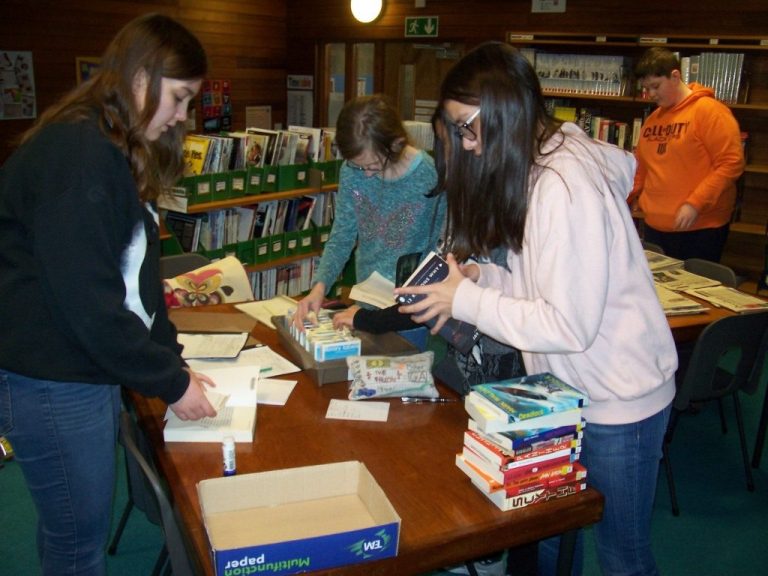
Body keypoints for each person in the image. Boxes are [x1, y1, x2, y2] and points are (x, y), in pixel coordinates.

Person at [395, 41, 678, 576]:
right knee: (548, 538)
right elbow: (540, 286)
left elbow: (568, 324)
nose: (467, 145)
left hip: (619, 399)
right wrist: (482, 278)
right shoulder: (536, 165)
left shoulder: (563, 187)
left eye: (468, 128)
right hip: (565, 393)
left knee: (622, 555)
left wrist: (467, 299)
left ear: (503, 110)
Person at [0, 13, 217, 576]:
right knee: (78, 544)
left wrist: (171, 362)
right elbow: (91, 304)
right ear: (141, 77)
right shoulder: (81, 151)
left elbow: (137, 282)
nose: (182, 116)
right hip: (52, 379)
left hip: (70, 371)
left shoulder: (108, 144)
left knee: (71, 532)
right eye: (179, 97)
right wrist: (171, 381)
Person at [292, 94, 443, 328]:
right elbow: (342, 236)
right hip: (367, 301)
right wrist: (319, 287)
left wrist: (404, 304)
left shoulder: (430, 175)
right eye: (359, 166)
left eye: (373, 165)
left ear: (396, 144)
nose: (367, 175)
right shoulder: (352, 171)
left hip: (410, 310)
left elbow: (437, 250)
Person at [630, 46, 745, 261]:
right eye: (646, 88)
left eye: (656, 86)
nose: (651, 94)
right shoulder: (653, 120)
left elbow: (731, 163)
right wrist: (626, 198)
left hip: (700, 227)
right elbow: (642, 168)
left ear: (675, 76)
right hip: (655, 226)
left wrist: (695, 204)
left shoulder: (710, 111)